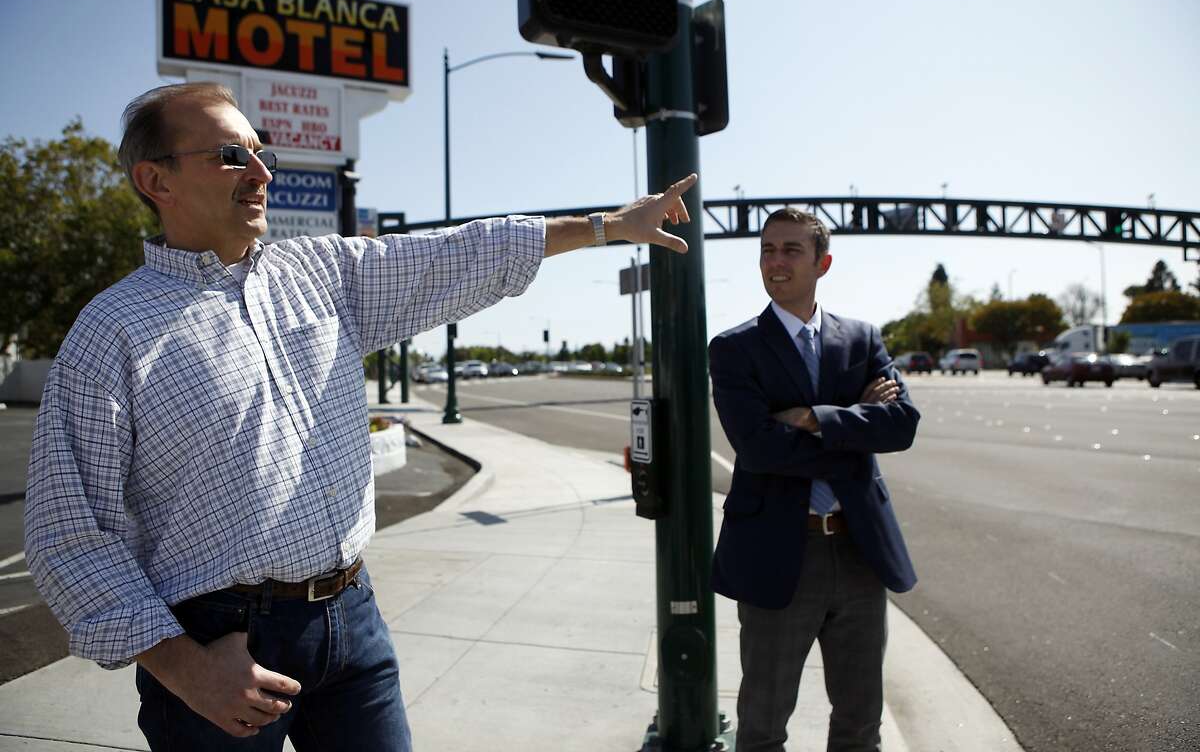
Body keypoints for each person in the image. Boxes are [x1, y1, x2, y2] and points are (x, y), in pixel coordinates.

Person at [23, 81, 697, 752]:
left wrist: (608, 227)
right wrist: (184, 668)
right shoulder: (110, 332)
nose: (261, 174)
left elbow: (456, 253)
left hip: (352, 619)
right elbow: (68, 534)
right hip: (218, 646)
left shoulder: (321, 273)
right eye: (232, 156)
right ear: (155, 180)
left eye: (263, 155)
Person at [708, 207, 919, 752]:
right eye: (766, 249)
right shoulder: (734, 348)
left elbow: (900, 425)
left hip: (858, 550)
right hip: (778, 553)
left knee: (859, 723)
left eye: (790, 250)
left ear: (822, 262)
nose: (775, 262)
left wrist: (810, 417)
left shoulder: (862, 338)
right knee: (763, 724)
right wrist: (853, 424)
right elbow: (756, 448)